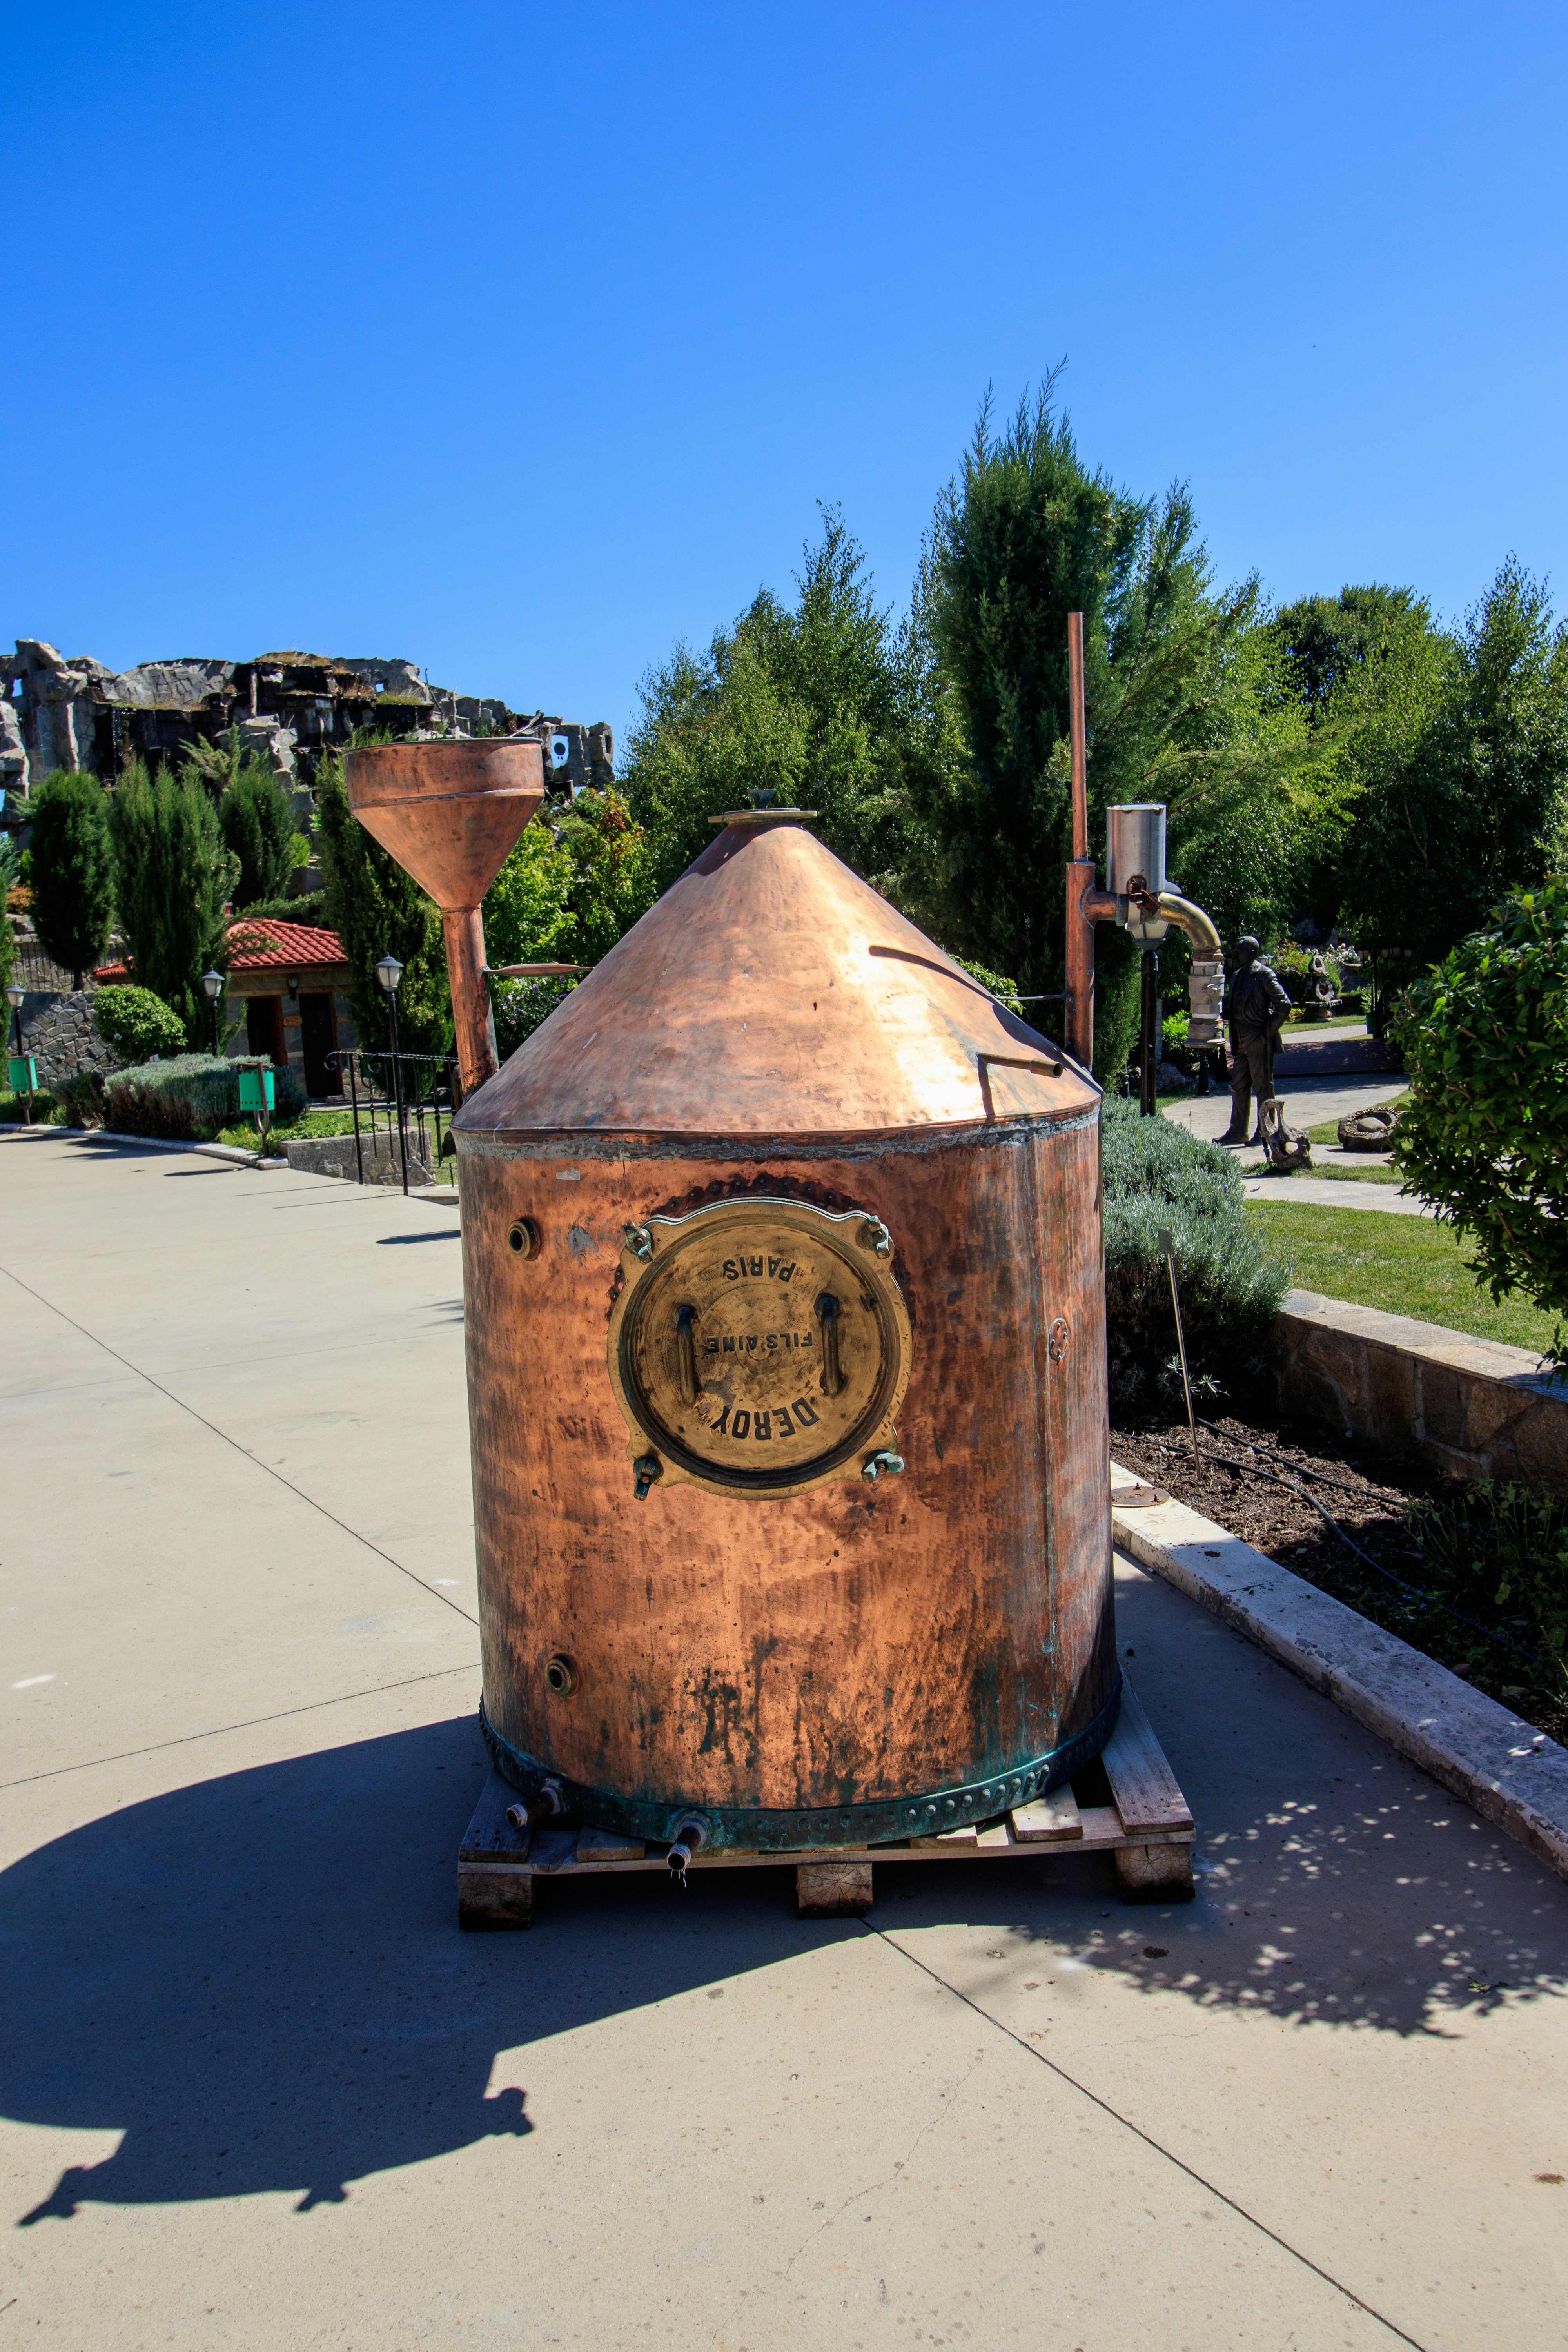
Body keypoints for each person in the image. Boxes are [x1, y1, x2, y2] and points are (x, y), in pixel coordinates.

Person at [1218, 936, 1291, 1145]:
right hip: (1240, 1042)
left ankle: (1266, 1133)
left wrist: (1267, 1031)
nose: (1235, 954)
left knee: (1263, 1088)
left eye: (1239, 951)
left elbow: (1284, 1005)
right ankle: (1237, 1131)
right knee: (1238, 1087)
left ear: (1251, 953)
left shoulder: (1264, 975)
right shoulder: (1237, 976)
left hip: (1259, 1040)